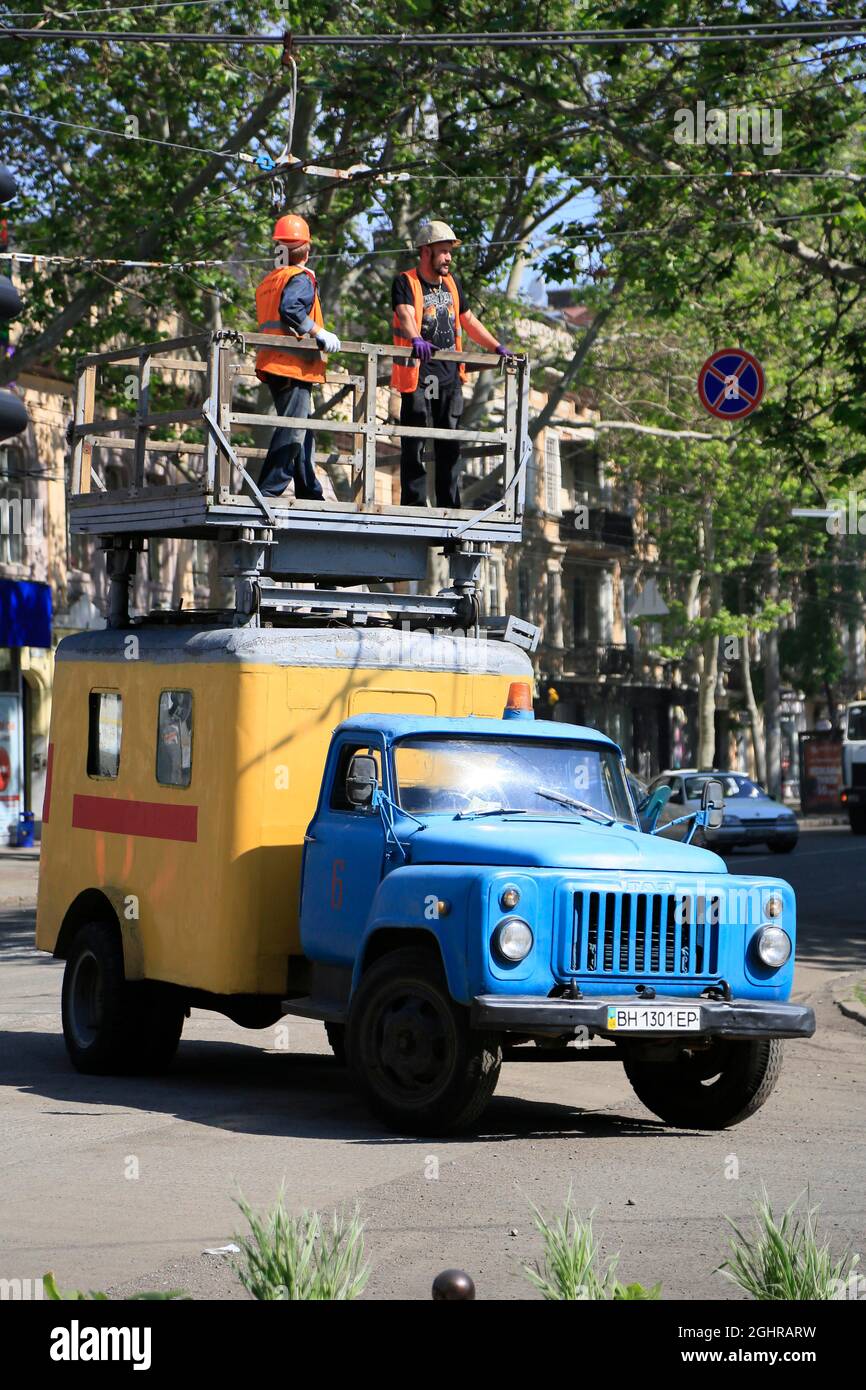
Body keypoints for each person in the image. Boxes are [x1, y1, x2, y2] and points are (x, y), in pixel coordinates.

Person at [391, 219, 511, 508]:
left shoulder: (452, 285)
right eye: (443, 252)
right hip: (418, 374)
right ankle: (415, 505)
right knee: (415, 441)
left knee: (450, 446)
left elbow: (467, 320)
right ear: (426, 252)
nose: (448, 258)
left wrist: (495, 345)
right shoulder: (406, 281)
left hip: (449, 376)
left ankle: (449, 506)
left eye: (449, 252)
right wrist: (416, 338)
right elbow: (405, 313)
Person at [254, 214, 341, 498]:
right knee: (294, 428)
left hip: (275, 363)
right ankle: (268, 488)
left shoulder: (270, 280)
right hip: (292, 364)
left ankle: (308, 488)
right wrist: (319, 332)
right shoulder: (300, 278)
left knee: (303, 428)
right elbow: (290, 310)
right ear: (307, 249)